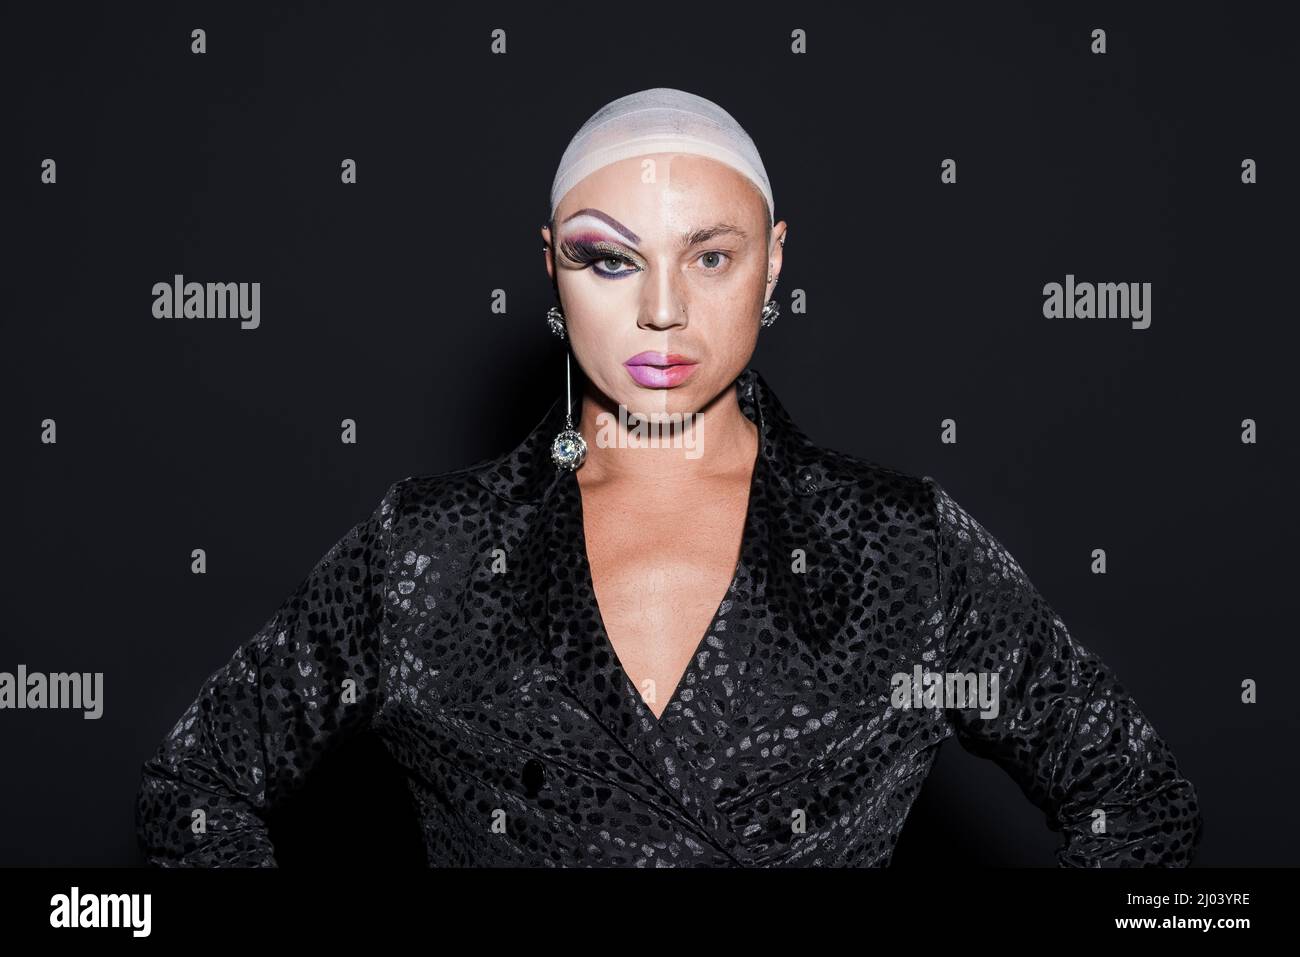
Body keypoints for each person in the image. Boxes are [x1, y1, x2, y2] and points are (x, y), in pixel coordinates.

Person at [135, 88, 1203, 867]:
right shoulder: (429, 551)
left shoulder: (902, 548)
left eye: (709, 255)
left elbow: (1137, 802)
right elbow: (196, 793)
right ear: (551, 262)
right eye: (611, 258)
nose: (660, 311)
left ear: (774, 262)